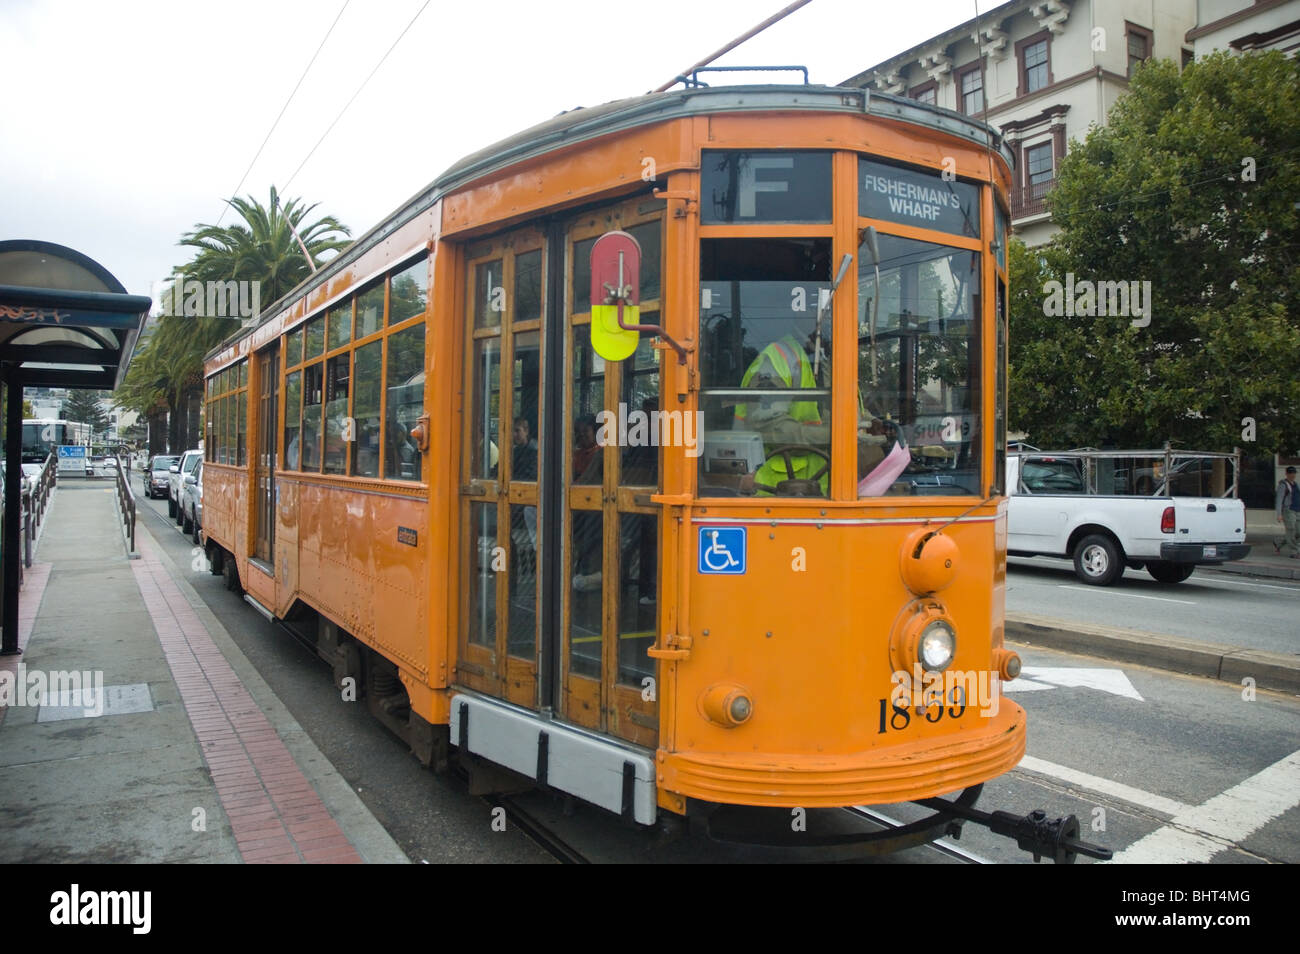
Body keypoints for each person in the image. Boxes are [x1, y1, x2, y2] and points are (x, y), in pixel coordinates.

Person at [1276, 466, 1299, 558]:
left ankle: (1279, 542)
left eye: (1293, 473)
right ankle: (1295, 552)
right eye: (1290, 473)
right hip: (1288, 511)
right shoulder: (1283, 485)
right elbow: (1279, 500)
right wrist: (1279, 514)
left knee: (1298, 531)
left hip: (1298, 510)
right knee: (1291, 530)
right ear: (1286, 474)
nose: (1292, 475)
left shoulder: (1296, 484)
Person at [511, 417, 537, 481]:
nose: (514, 434)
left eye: (517, 430)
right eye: (512, 431)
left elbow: (530, 477)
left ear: (526, 431)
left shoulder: (536, 450)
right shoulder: (515, 451)